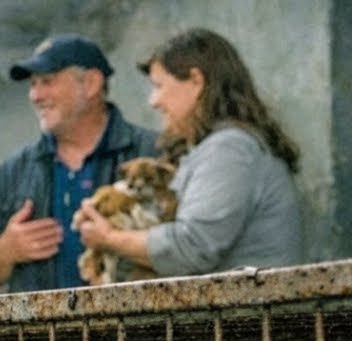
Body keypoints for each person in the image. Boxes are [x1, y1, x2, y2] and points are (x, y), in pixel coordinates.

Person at [76, 28, 303, 275]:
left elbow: (191, 248)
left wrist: (109, 237)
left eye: (159, 86)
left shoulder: (229, 149)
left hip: (245, 310)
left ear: (196, 81)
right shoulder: (217, 147)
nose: (153, 101)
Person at [0, 34, 158, 292]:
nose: (35, 95)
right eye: (33, 84)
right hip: (41, 332)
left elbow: (189, 250)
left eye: (47, 81)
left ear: (91, 84)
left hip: (132, 329)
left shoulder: (151, 155)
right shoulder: (15, 170)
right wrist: (5, 251)